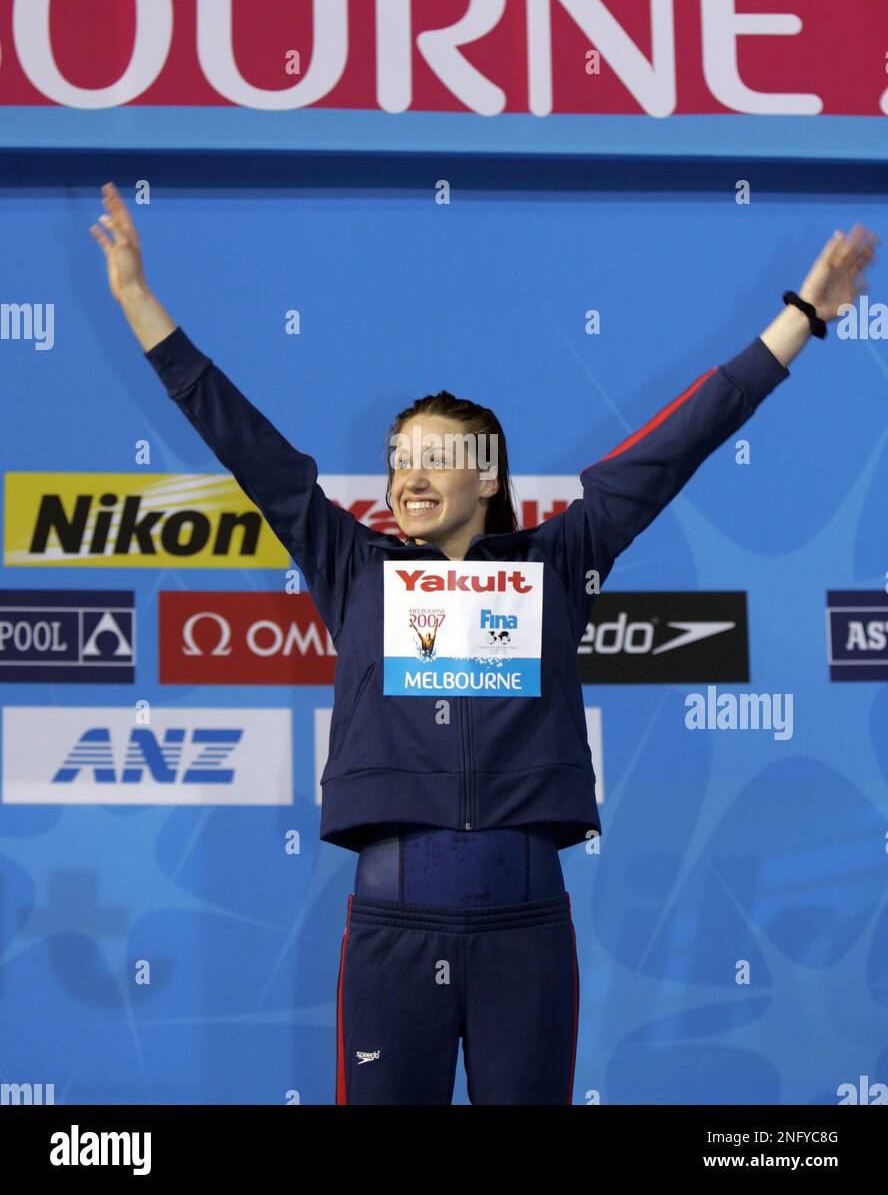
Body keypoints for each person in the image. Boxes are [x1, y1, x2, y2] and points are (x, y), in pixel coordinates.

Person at [90, 184, 877, 1104]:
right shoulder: (353, 567)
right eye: (398, 459)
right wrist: (141, 301)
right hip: (392, 935)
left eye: (433, 456)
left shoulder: (562, 557)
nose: (408, 475)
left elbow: (687, 438)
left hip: (526, 936)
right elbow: (243, 439)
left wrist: (802, 317)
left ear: (488, 474)